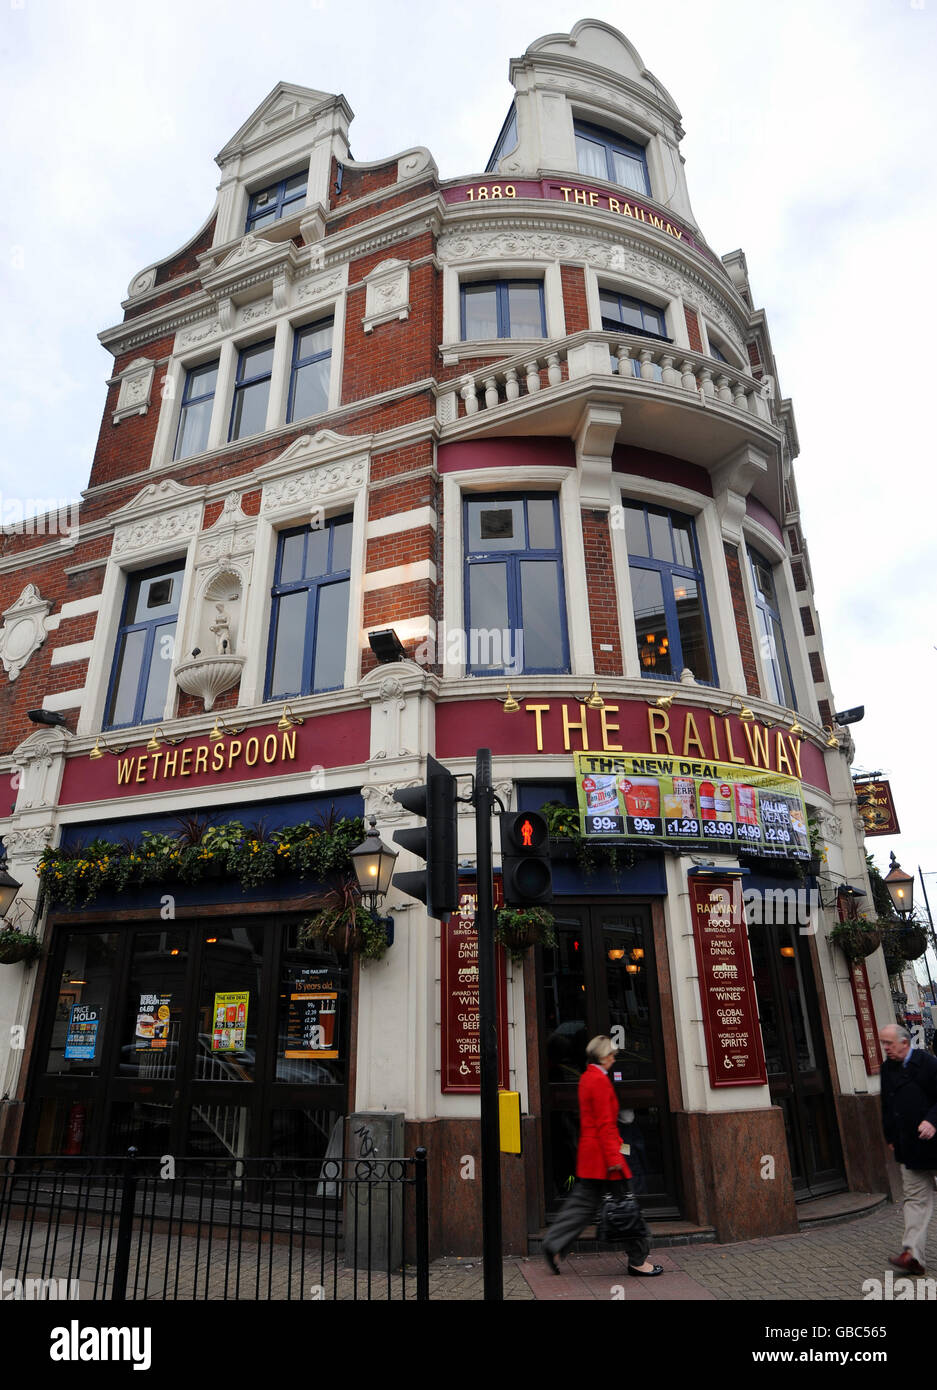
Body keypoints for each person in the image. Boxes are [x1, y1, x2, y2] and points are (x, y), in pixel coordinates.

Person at [542, 1035, 663, 1277]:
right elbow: (605, 1125)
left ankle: (554, 1245)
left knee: (582, 1206)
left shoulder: (587, 1077)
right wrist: (615, 1160)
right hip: (605, 1160)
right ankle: (639, 1260)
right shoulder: (599, 1081)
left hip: (591, 1158)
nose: (613, 1059)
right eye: (611, 1055)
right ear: (604, 1056)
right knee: (627, 1208)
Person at [879, 1023, 937, 1275]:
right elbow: (886, 1104)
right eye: (883, 1043)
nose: (886, 1048)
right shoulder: (886, 1068)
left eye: (889, 1043)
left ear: (905, 1042)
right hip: (909, 1147)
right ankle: (912, 1255)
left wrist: (933, 1121)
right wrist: (890, 1136)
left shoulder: (928, 1063)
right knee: (915, 1200)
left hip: (935, 1142)